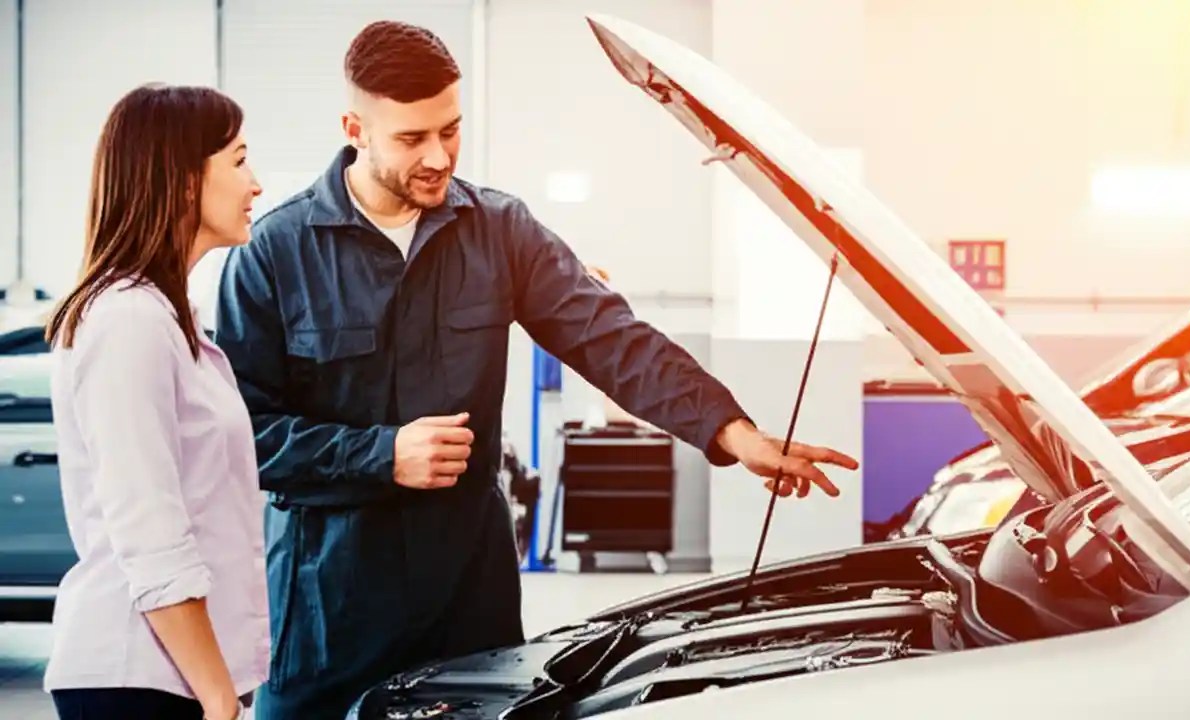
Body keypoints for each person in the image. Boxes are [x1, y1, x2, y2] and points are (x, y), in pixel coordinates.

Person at [214, 20, 859, 719]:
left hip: (466, 599)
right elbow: (244, 435)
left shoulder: (499, 231)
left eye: (451, 130)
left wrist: (734, 433)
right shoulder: (275, 252)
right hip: (331, 606)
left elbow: (610, 338)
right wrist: (380, 454)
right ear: (354, 127)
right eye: (412, 138)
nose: (440, 156)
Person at [42, 84, 267, 720]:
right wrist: (219, 698)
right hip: (135, 676)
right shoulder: (127, 322)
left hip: (170, 678)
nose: (257, 183)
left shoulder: (166, 318)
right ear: (184, 179)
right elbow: (151, 532)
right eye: (240, 159)